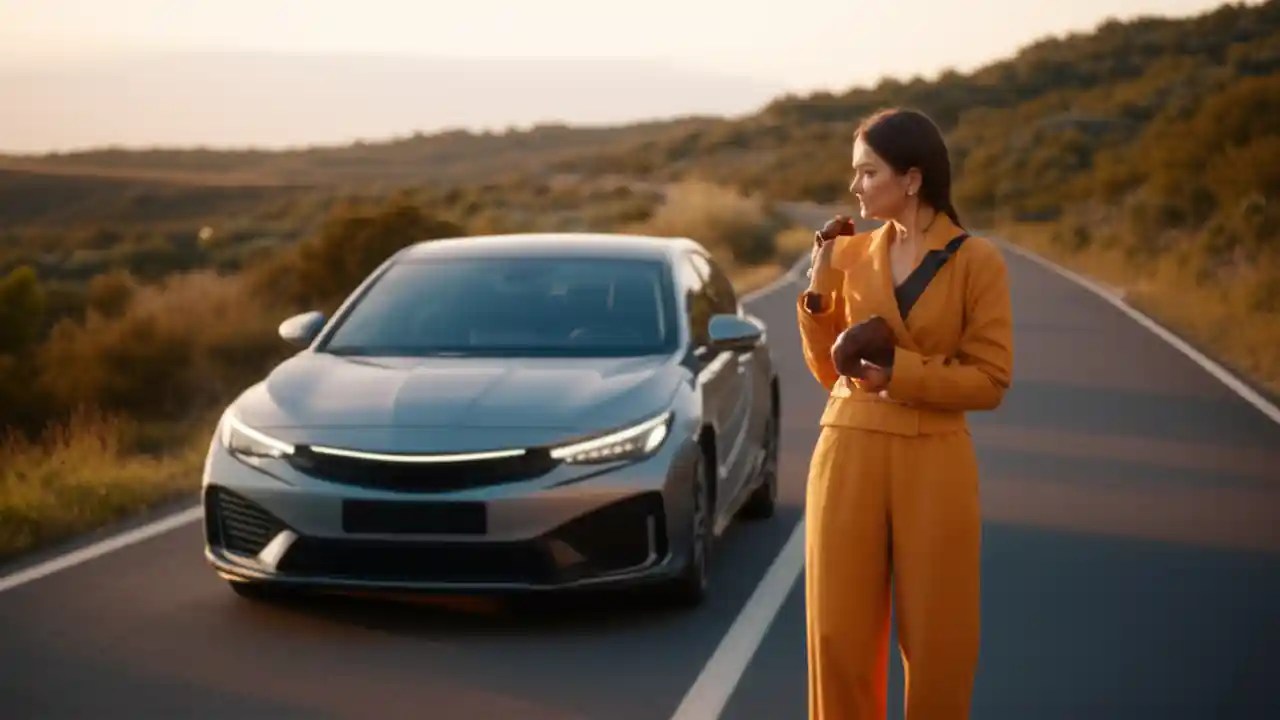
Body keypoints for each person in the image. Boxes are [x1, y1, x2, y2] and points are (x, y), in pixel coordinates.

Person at [797, 107, 1014, 719]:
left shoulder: (977, 262)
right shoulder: (851, 254)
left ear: (912, 179)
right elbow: (825, 371)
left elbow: (992, 380)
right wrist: (818, 285)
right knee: (836, 633)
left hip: (934, 456)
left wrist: (903, 375)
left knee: (938, 639)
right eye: (854, 173)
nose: (855, 187)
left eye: (868, 172)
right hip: (848, 447)